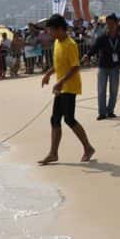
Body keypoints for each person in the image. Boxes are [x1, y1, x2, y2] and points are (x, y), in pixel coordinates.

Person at [39, 15, 96, 165]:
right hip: (61, 86)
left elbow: (75, 67)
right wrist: (48, 74)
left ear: (59, 29)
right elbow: (58, 64)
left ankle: (88, 148)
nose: (50, 33)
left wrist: (61, 82)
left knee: (69, 119)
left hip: (70, 87)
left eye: (51, 30)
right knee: (55, 119)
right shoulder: (57, 42)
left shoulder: (70, 44)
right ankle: (53, 154)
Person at [84, 13, 120, 120]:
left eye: (111, 23)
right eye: (107, 23)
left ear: (116, 24)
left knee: (114, 90)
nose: (109, 26)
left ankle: (110, 111)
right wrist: (87, 55)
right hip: (103, 66)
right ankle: (102, 112)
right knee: (101, 90)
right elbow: (94, 48)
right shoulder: (102, 37)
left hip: (115, 67)